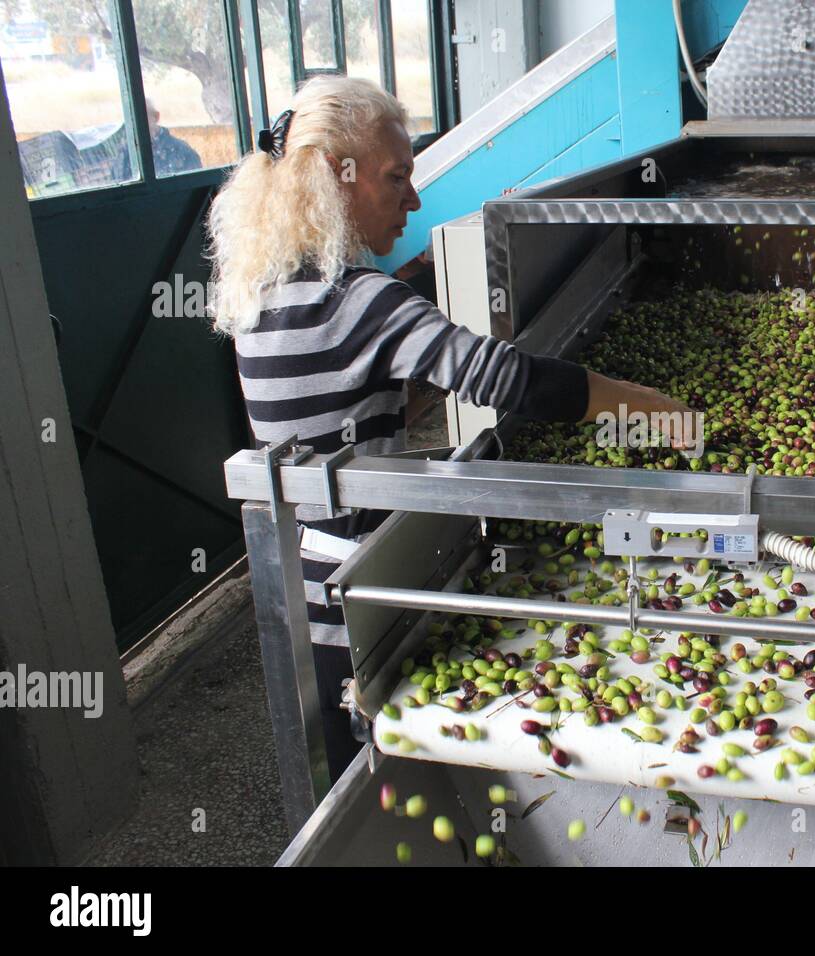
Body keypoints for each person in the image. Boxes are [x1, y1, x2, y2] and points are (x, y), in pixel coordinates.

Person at [206, 75, 692, 780]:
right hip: (362, 591)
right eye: (396, 177)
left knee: (349, 766)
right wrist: (654, 410)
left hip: (301, 584)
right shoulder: (361, 301)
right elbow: (511, 381)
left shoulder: (260, 296)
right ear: (332, 180)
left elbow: (337, 416)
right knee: (388, 761)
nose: (414, 198)